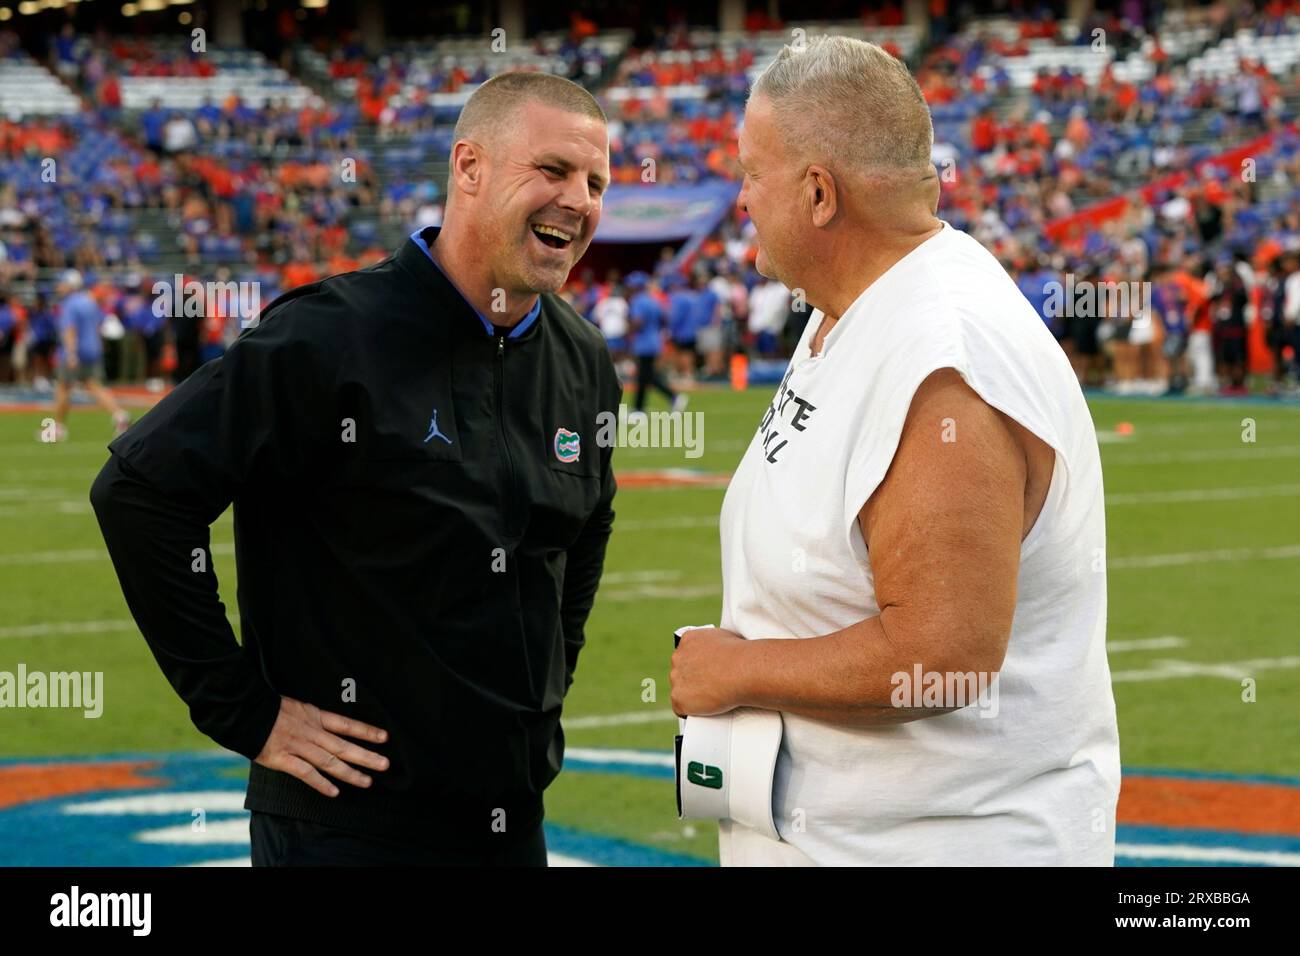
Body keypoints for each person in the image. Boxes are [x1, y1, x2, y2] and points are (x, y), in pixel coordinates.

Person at [90, 72, 622, 867]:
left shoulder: (581, 357)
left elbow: (586, 530)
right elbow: (139, 490)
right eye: (551, 170)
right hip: (345, 829)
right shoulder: (327, 337)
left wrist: (544, 687)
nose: (578, 199)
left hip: (512, 819)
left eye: (595, 181)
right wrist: (247, 715)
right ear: (469, 168)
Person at [669, 36, 1119, 866]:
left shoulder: (944, 352)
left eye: (750, 173)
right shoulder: (854, 305)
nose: (739, 200)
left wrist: (735, 673)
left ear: (817, 193)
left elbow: (941, 653)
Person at [50, 270, 131, 442]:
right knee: (94, 385)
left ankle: (57, 428)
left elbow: (70, 330)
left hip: (77, 349)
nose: (58, 287)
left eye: (62, 283)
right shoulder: (90, 301)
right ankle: (119, 415)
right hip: (92, 348)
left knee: (63, 387)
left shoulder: (70, 304)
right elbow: (99, 325)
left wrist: (71, 353)